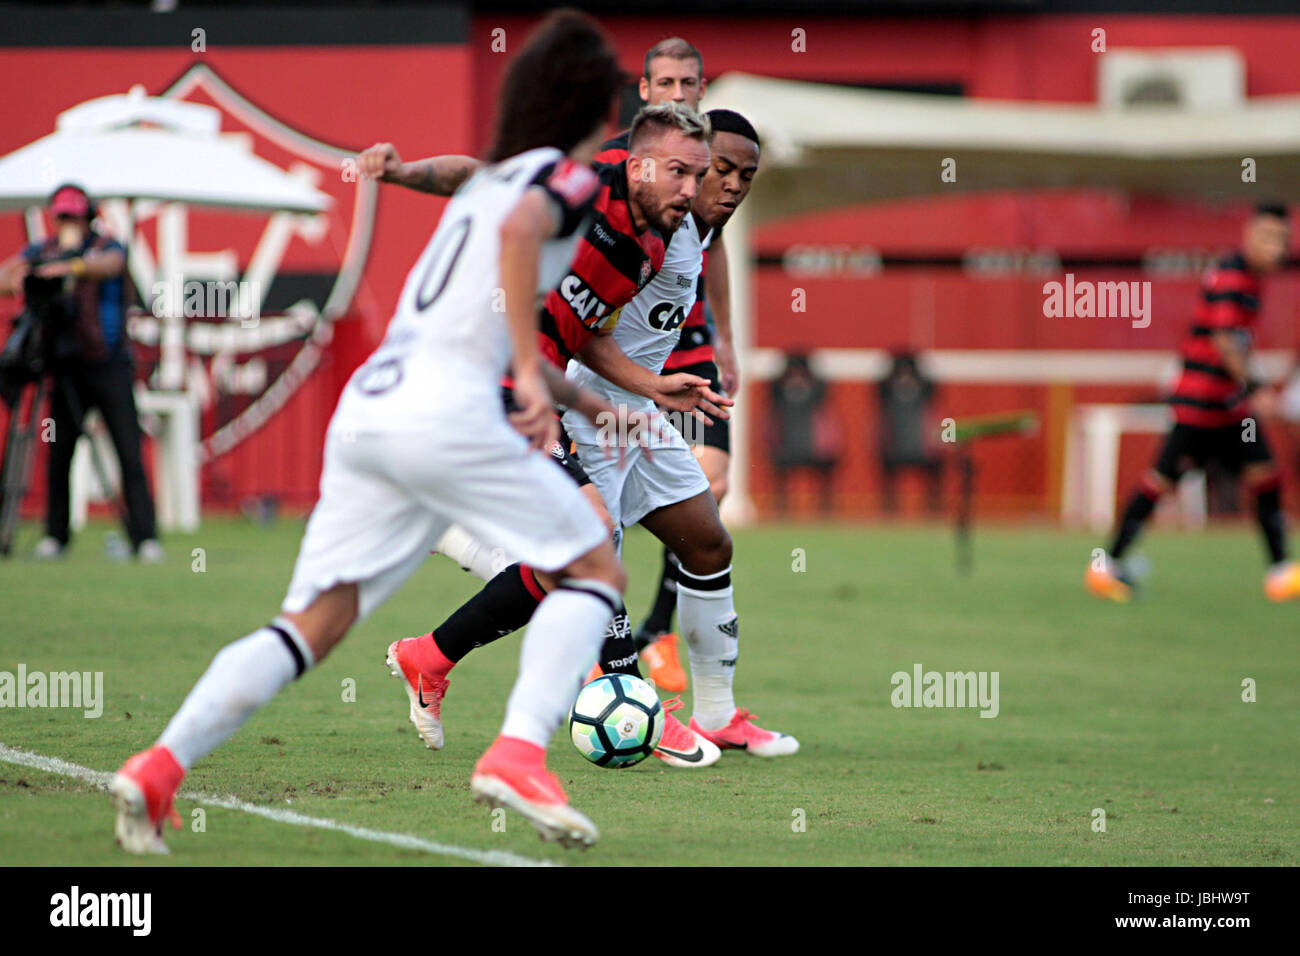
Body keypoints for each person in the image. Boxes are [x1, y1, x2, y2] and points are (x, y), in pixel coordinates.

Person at [110, 10, 630, 852]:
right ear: (596, 112)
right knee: (596, 561)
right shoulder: (563, 182)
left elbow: (472, 184)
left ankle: (160, 767)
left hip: (371, 411)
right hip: (446, 411)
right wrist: (532, 380)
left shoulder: (500, 174)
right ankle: (519, 750)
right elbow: (523, 227)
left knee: (310, 624)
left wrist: (400, 174)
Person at [381, 103, 731, 769]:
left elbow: (581, 333)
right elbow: (482, 178)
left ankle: (429, 652)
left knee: (581, 556)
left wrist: (648, 392)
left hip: (554, 391)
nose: (698, 188)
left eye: (704, 173)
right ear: (638, 160)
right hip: (498, 381)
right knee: (591, 543)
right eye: (684, 172)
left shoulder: (651, 244)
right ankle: (626, 701)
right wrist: (403, 173)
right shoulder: (582, 185)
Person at [566, 107, 798, 757]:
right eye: (717, 169)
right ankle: (632, 706)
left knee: (707, 544)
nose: (729, 185)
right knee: (592, 565)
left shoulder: (696, 231)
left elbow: (708, 266)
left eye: (744, 176)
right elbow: (576, 332)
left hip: (638, 409)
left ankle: (717, 715)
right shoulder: (635, 228)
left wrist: (715, 349)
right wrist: (651, 384)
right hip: (577, 408)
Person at [591, 38, 740, 692]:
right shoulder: (619, 180)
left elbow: (714, 248)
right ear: (644, 93)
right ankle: (614, 672)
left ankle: (660, 647)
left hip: (682, 350)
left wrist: (726, 337)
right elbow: (574, 321)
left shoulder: (706, 175)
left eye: (689, 82)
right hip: (601, 381)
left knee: (711, 502)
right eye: (666, 83)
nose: (678, 93)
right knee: (586, 551)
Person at [1086, 202, 1300, 603]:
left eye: (1284, 240)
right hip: (1203, 405)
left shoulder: (1250, 278)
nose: (1278, 248)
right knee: (1161, 480)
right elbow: (1224, 340)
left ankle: (1281, 571)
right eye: (1269, 237)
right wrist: (1255, 388)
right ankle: (1106, 564)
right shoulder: (1235, 276)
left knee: (1263, 475)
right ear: (1249, 235)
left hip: (1225, 405)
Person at [0, 184, 162, 562]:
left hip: (109, 367)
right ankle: (56, 536)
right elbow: (6, 277)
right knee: (59, 452)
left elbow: (112, 265)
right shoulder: (41, 251)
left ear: (88, 217)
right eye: (62, 217)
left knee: (128, 452)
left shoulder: (105, 246)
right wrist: (25, 275)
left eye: (74, 216)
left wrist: (71, 265)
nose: (68, 223)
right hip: (64, 367)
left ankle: (145, 538)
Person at [770, 352, 841, 515]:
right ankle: (781, 512)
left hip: (814, 446)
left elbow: (823, 388)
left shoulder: (817, 392)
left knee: (826, 468)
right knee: (781, 467)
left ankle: (825, 511)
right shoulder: (780, 393)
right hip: (786, 444)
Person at [877, 352, 943, 515]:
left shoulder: (928, 393)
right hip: (894, 447)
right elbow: (880, 388)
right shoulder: (886, 394)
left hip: (925, 448)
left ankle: (934, 510)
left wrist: (944, 443)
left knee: (936, 466)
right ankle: (889, 510)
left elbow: (934, 390)